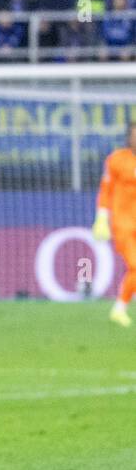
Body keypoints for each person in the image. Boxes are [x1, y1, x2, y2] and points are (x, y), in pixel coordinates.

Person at [92, 122, 136, 326]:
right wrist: (101, 218)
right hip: (123, 224)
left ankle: (119, 310)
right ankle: (119, 309)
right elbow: (106, 190)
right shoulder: (117, 159)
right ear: (128, 138)